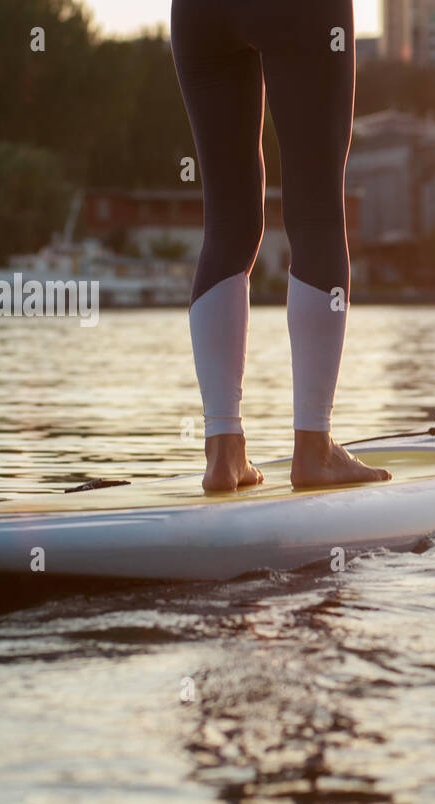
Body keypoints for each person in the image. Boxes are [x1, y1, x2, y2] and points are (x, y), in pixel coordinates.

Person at [171, 0, 395, 491]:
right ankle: (314, 451)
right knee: (315, 213)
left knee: (226, 226)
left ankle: (223, 452)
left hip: (198, 14)